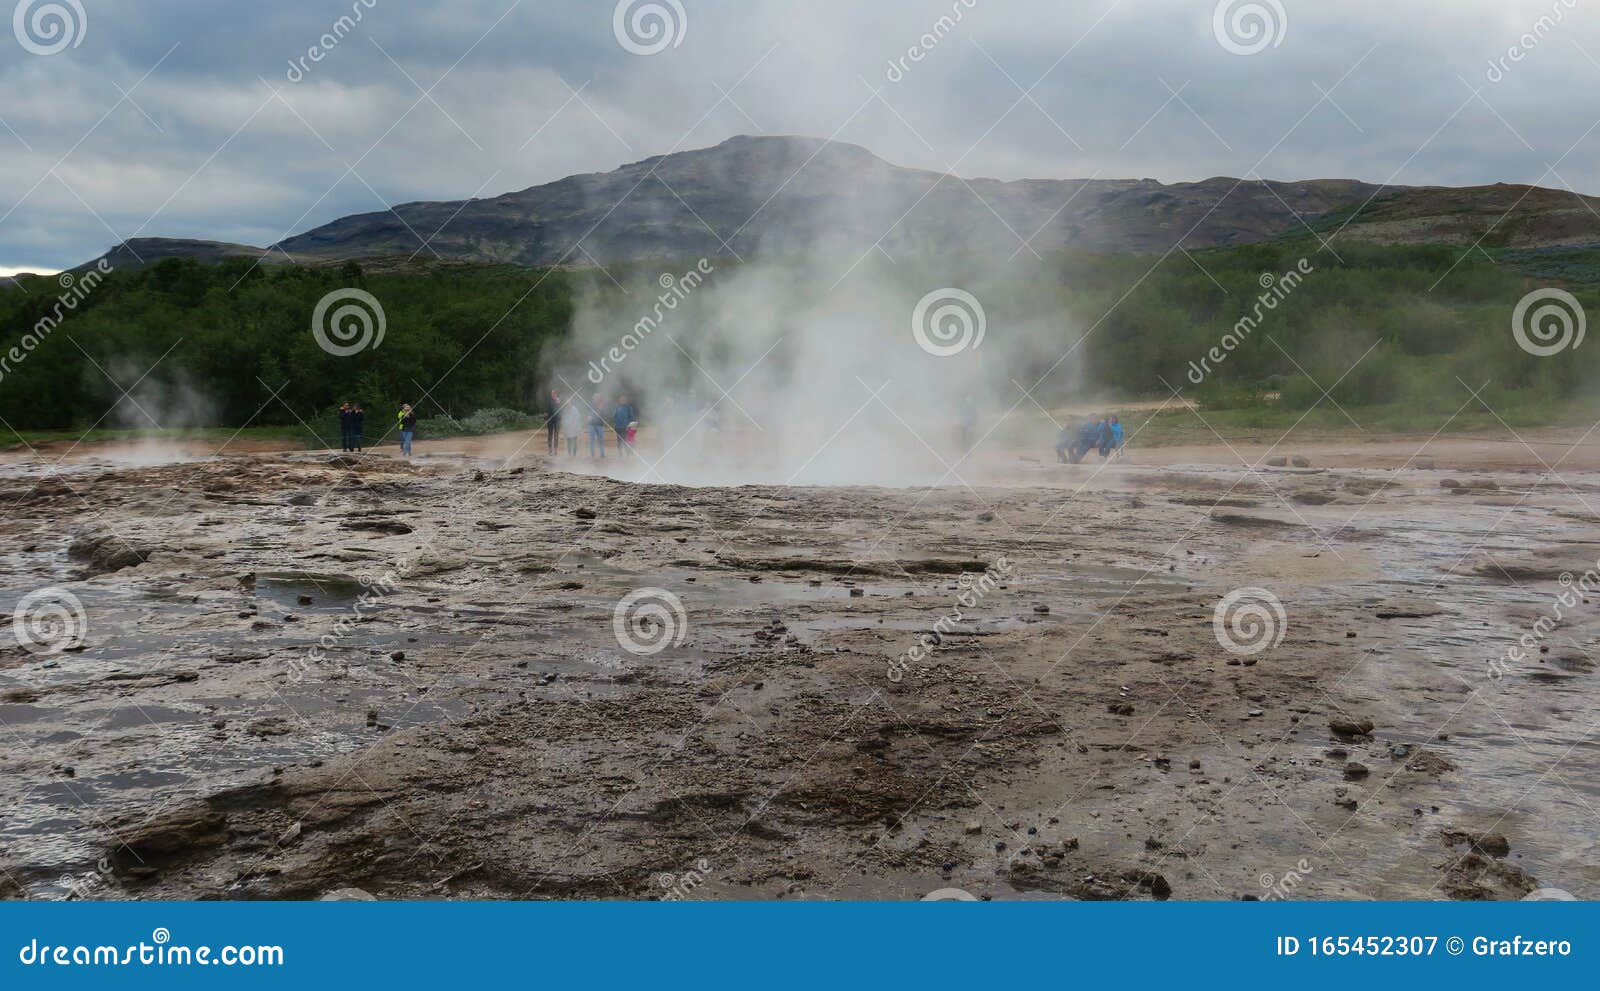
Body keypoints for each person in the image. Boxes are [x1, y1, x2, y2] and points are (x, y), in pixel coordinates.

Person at [612, 394, 636, 458]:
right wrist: (615, 422)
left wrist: (632, 428)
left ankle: (628, 455)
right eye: (621, 399)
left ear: (625, 400)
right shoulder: (617, 407)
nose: (622, 400)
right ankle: (620, 455)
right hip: (618, 428)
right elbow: (614, 417)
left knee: (626, 442)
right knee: (619, 443)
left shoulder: (628, 407)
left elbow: (632, 418)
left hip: (626, 428)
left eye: (623, 399)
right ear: (619, 400)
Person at [587, 395, 607, 459]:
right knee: (591, 440)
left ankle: (602, 454)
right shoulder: (591, 404)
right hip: (591, 424)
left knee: (601, 440)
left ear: (600, 398)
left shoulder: (602, 405)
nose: (596, 399)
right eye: (595, 397)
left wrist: (601, 409)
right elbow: (588, 412)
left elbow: (604, 415)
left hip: (600, 425)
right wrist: (588, 416)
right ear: (593, 398)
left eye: (597, 397)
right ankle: (592, 454)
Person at [545, 389, 562, 455]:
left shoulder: (559, 401)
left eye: (554, 393)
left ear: (556, 394)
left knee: (556, 436)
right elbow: (548, 410)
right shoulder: (549, 401)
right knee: (550, 435)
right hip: (550, 421)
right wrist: (546, 417)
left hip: (557, 421)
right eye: (552, 393)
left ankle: (555, 450)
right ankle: (550, 450)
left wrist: (558, 404)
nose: (553, 394)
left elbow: (561, 410)